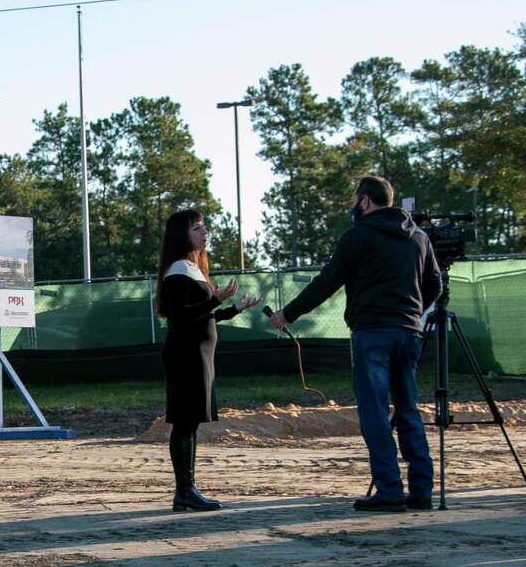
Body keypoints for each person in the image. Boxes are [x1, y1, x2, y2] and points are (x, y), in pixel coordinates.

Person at [270, 175, 442, 512]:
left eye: (354, 199)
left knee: (374, 411)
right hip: (409, 332)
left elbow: (326, 282)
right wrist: (415, 312)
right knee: (408, 408)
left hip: (372, 333)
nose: (352, 205)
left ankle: (390, 490)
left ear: (365, 201)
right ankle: (421, 490)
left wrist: (287, 314)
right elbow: (435, 283)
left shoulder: (358, 236)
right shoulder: (419, 238)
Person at [157, 209, 260, 512]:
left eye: (203, 227)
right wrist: (216, 299)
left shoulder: (192, 268)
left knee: (190, 424)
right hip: (185, 355)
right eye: (197, 228)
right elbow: (180, 317)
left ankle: (187, 490)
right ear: (182, 234)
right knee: (185, 423)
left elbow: (205, 315)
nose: (204, 233)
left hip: (198, 355)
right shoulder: (178, 270)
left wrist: (235, 308)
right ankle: (185, 491)